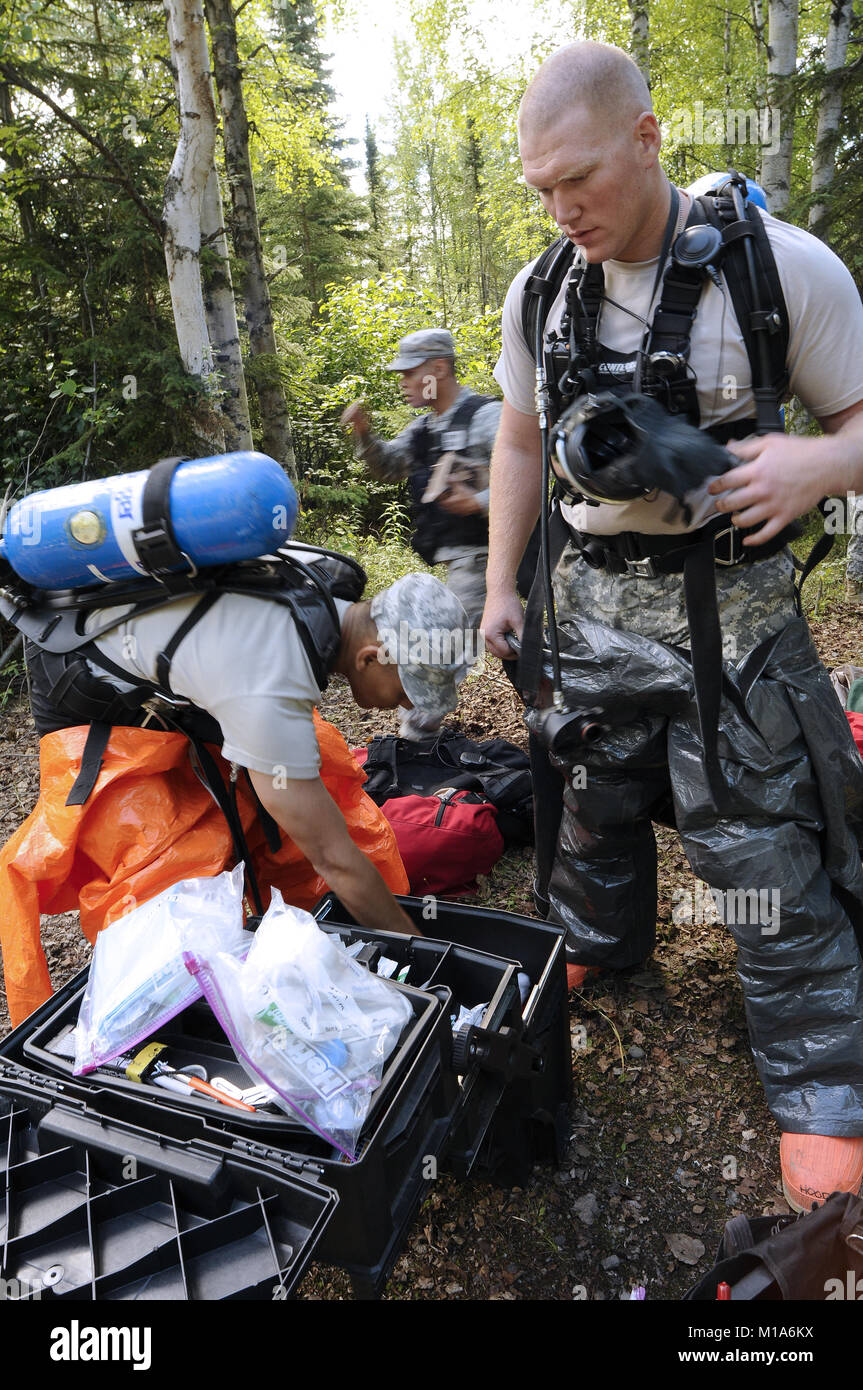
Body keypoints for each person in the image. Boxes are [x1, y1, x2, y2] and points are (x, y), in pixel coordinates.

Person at [481, 39, 863, 1213]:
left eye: (579, 177)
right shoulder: (542, 288)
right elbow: (515, 439)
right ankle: (598, 939)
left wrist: (815, 462)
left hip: (728, 616)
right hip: (586, 600)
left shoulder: (778, 271)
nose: (562, 208)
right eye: (539, 188)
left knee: (754, 851)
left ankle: (818, 1088)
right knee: (586, 799)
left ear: (646, 135)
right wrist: (500, 589)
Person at [1, 562, 473, 1024]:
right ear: (370, 657)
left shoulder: (325, 588)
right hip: (83, 676)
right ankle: (151, 1011)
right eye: (409, 691)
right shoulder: (273, 676)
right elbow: (335, 857)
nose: (408, 706)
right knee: (174, 856)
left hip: (181, 671)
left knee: (319, 777)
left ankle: (305, 940)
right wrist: (421, 968)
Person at [340, 328, 501, 632]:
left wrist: (479, 501)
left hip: (491, 556)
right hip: (462, 558)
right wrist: (363, 432)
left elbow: (532, 473)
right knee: (508, 645)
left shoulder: (486, 416)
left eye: (410, 372)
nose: (403, 381)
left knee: (443, 643)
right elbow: (390, 469)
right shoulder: (423, 429)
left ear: (439, 369)